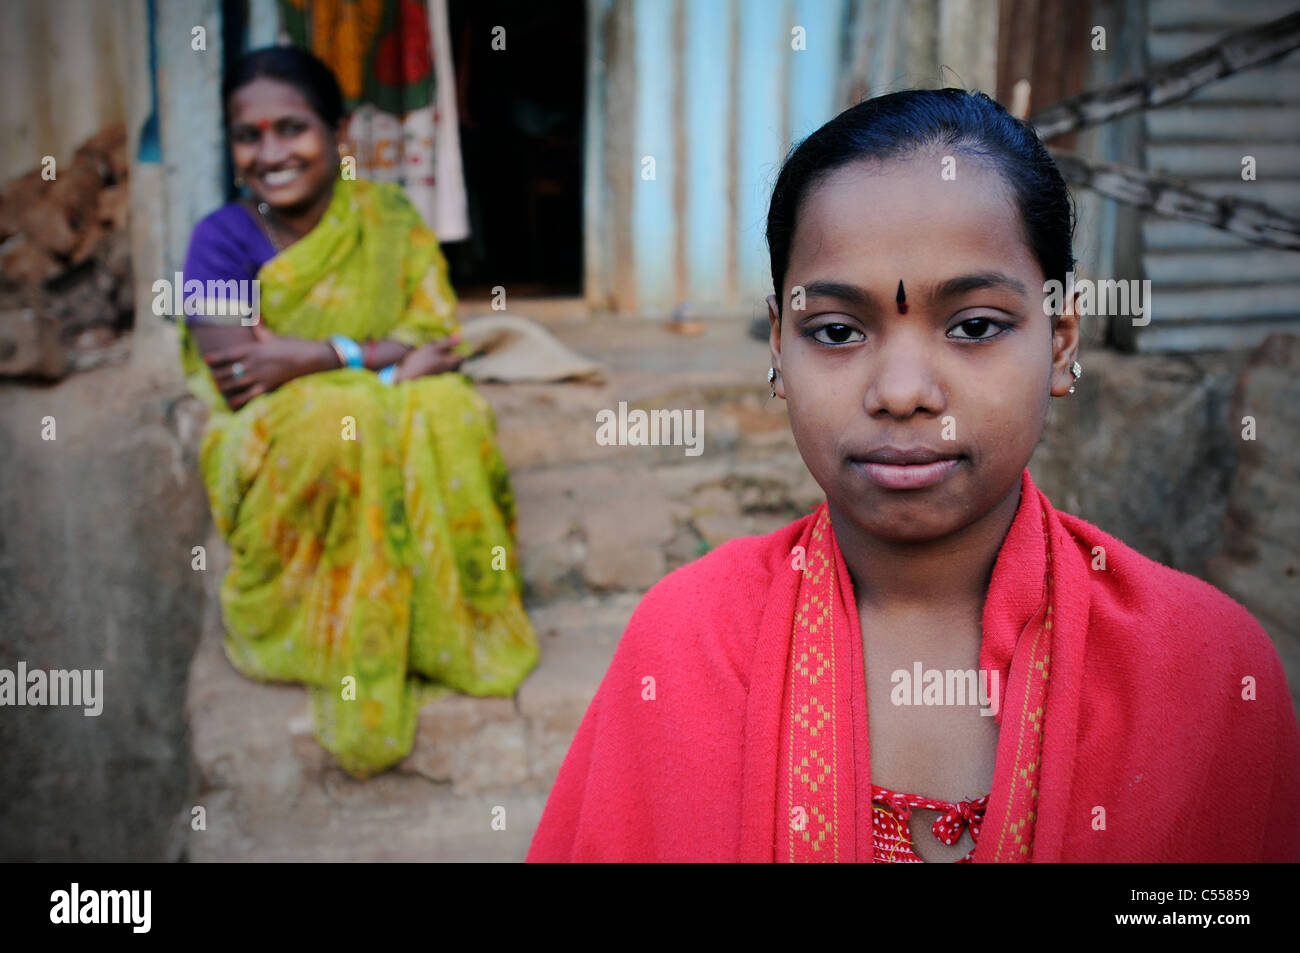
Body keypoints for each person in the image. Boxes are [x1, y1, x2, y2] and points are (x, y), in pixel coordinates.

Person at [527, 88, 1300, 862]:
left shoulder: (1204, 672)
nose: (900, 391)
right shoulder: (685, 646)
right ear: (776, 348)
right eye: (835, 330)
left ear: (1062, 341)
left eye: (974, 326)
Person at [178, 46, 538, 779]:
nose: (271, 152)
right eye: (250, 135)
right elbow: (242, 374)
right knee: (330, 421)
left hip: (350, 385)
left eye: (293, 128)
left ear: (338, 134)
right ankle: (329, 626)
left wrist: (315, 354)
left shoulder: (390, 220)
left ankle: (433, 627)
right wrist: (374, 356)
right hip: (270, 432)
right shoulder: (219, 240)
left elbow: (434, 338)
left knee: (446, 409)